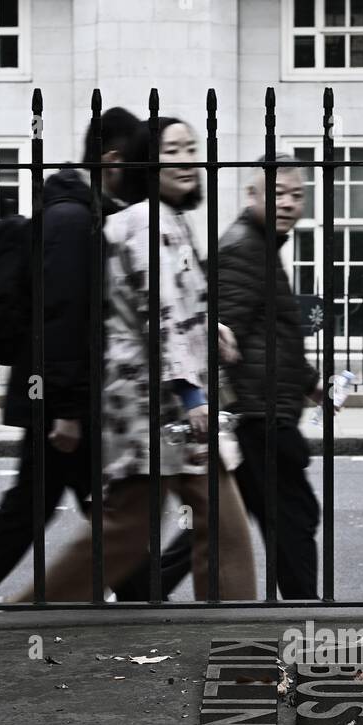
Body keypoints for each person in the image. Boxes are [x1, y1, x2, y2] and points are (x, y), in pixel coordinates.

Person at [10, 117, 255, 602]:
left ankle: (231, 635)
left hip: (158, 406)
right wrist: (192, 394)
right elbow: (158, 314)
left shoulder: (165, 220)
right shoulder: (144, 223)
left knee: (139, 532)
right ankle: (234, 641)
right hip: (157, 406)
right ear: (149, 161)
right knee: (186, 530)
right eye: (174, 150)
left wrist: (213, 332)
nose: (187, 159)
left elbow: (176, 306)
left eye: (191, 148)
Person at [0, 107, 141, 605]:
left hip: (62, 392)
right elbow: (62, 315)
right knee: (77, 509)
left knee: (55, 507)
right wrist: (68, 410)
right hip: (61, 397)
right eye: (143, 160)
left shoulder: (85, 212)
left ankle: (144, 596)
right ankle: (144, 597)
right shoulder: (72, 218)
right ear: (113, 159)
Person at [116, 153, 322, 602]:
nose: (288, 203)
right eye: (278, 194)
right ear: (253, 196)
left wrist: (309, 382)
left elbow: (267, 335)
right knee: (294, 518)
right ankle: (308, 615)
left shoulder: (260, 246)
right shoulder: (244, 248)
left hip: (259, 414)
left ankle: (143, 592)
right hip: (256, 418)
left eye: (297, 195)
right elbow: (220, 334)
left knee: (223, 524)